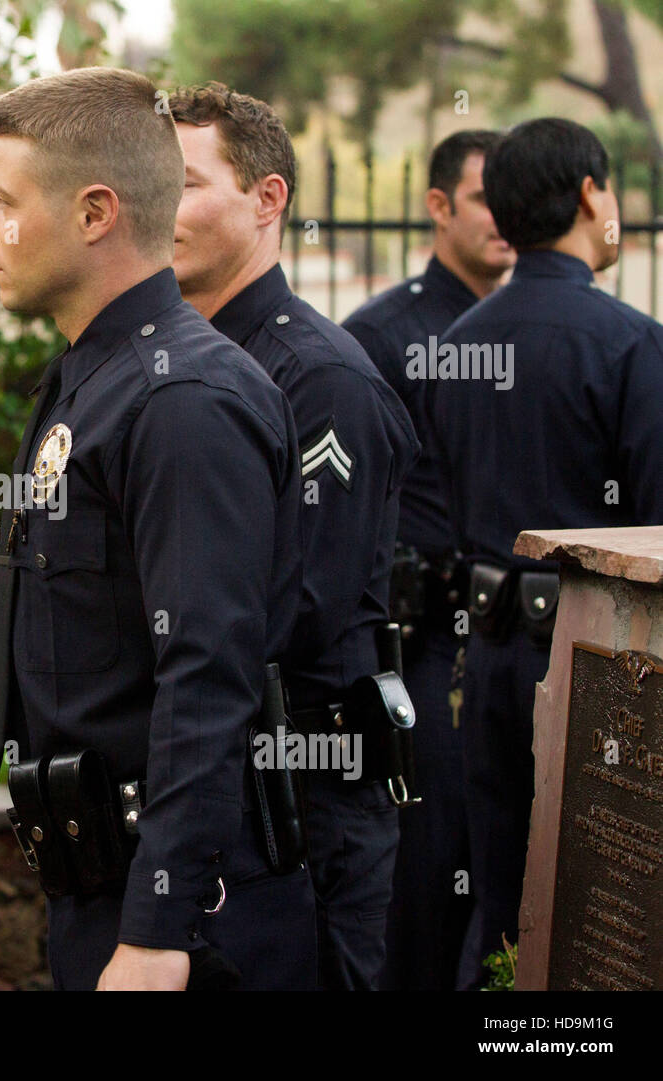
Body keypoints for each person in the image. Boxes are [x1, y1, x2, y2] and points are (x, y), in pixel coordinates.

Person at [0, 67, 317, 991]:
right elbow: (109, 629)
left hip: (191, 919)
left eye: (1, 200)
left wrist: (155, 932)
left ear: (96, 212)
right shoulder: (96, 381)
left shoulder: (182, 401)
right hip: (104, 891)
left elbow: (208, 676)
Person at [167, 84, 419, 990]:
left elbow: (288, 618)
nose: (161, 207)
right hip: (211, 802)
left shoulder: (319, 382)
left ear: (267, 200)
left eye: (187, 183)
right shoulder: (174, 366)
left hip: (302, 805)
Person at [425, 117, 663, 989]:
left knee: (504, 908)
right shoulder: (633, 344)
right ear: (592, 194)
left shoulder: (454, 349)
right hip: (608, 674)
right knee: (606, 924)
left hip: (486, 659)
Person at [342, 130, 515, 990]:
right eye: (486, 197)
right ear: (438, 206)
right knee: (425, 893)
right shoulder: (381, 334)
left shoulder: (527, 331)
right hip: (421, 657)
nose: (504, 218)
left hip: (522, 650)